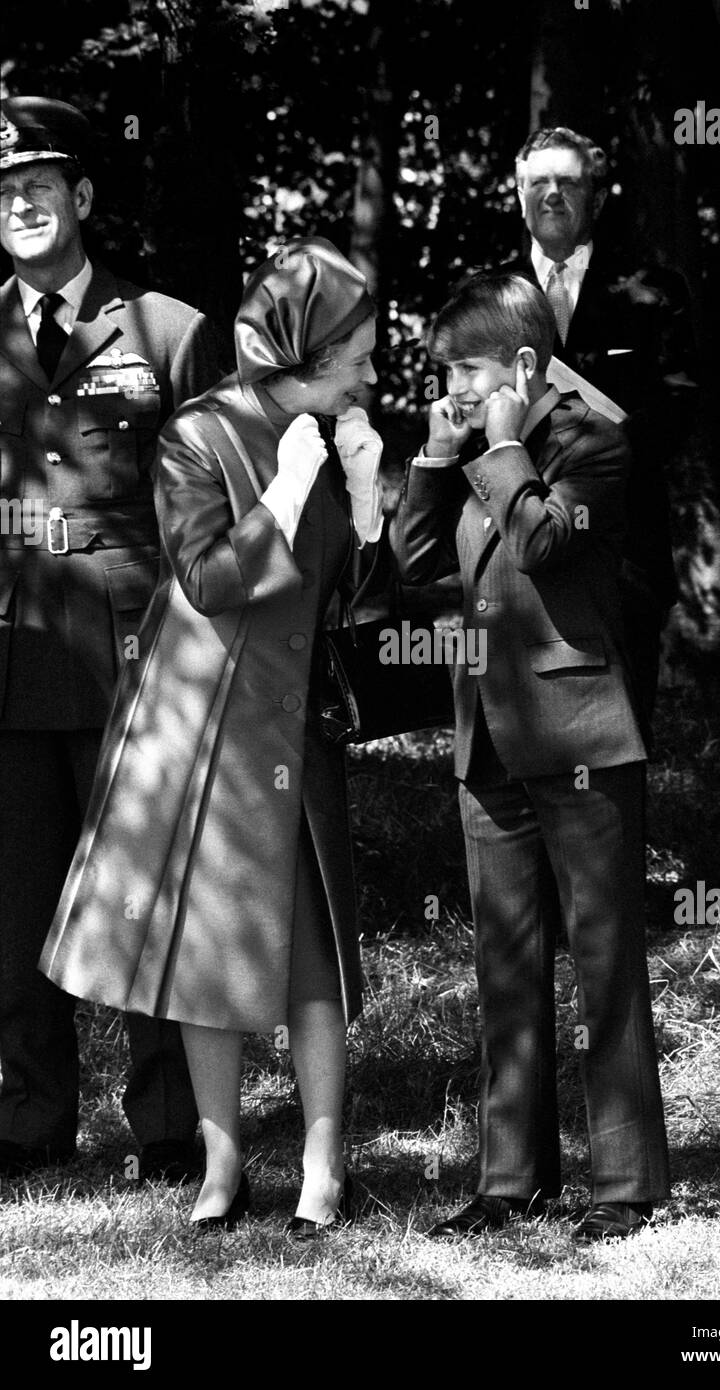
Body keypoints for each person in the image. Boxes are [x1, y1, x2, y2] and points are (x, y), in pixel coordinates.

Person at [39, 238, 381, 1233]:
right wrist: (283, 489)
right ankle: (221, 1164)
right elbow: (209, 582)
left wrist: (362, 499)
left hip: (294, 719)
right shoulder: (198, 435)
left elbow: (364, 600)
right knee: (203, 952)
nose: (368, 369)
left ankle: (323, 1165)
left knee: (311, 954)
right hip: (203, 726)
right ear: (306, 350)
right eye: (355, 350)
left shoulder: (338, 430)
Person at [391, 273, 670, 1242]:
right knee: (503, 962)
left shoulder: (591, 433)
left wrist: (502, 443)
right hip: (488, 739)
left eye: (462, 370)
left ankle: (625, 1182)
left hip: (581, 733)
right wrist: (434, 458)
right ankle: (511, 1178)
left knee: (602, 960)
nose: (450, 388)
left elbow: (546, 540)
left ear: (518, 363)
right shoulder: (467, 446)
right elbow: (414, 560)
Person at [0, 95, 223, 1181]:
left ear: (81, 197)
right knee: (14, 904)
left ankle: (171, 1126)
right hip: (9, 662)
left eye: (38, 184)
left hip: (137, 663)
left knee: (142, 897)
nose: (21, 204)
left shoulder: (170, 331)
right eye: (4, 193)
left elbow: (219, 505)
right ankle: (32, 1122)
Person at [503, 126, 707, 724]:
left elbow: (682, 405)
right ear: (518, 193)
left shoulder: (655, 289)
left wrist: (602, 451)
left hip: (624, 541)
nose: (553, 194)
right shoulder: (493, 293)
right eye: (538, 182)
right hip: (519, 536)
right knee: (530, 733)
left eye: (569, 182)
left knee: (622, 729)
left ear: (596, 195)